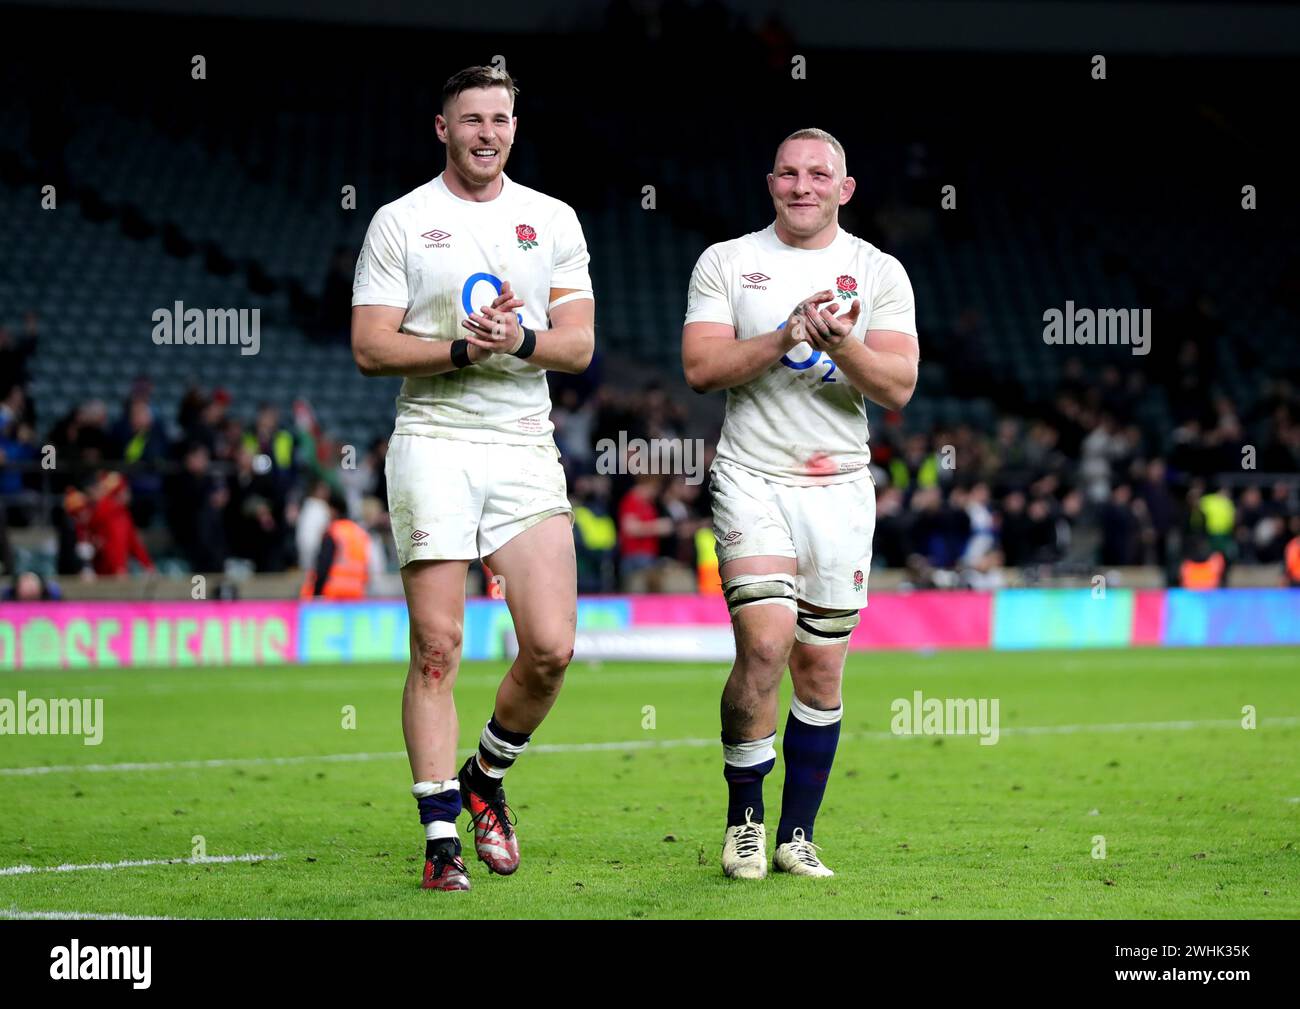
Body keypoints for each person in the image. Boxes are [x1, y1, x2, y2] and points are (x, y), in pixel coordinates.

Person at [351, 66, 595, 891]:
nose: (486, 132)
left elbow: (580, 343)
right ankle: (438, 840)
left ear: (515, 129)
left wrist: (519, 338)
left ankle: (483, 779)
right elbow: (371, 346)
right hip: (433, 435)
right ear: (442, 128)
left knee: (554, 648)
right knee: (438, 646)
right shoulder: (401, 222)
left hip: (524, 442)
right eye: (470, 119)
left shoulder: (550, 219)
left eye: (500, 118)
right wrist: (462, 348)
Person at [682, 128, 919, 879]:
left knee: (819, 668)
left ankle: (797, 835)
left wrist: (841, 343)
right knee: (764, 644)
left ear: (845, 190)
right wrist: (785, 335)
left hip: (841, 487)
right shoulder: (727, 261)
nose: (802, 185)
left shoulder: (878, 272)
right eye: (788, 173)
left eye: (819, 174)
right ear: (770, 182)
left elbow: (898, 386)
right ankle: (745, 821)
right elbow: (700, 368)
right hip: (754, 475)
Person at [300, 491, 371, 599]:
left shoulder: (333, 532)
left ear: (333, 510)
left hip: (334, 595)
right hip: (356, 594)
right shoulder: (359, 532)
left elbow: (324, 564)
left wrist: (316, 592)